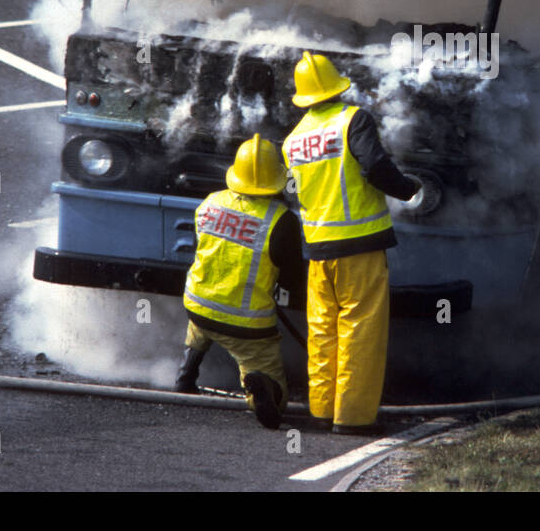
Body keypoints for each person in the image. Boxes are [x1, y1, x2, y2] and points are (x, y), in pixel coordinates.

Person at [282, 51, 420, 435]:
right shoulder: (352, 119)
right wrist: (408, 189)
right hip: (359, 247)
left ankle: (322, 409)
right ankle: (353, 417)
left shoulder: (292, 141)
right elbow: (375, 166)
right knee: (359, 329)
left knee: (323, 330)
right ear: (336, 86)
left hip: (318, 252)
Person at [174, 134, 303, 430]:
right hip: (247, 328)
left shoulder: (210, 203)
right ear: (278, 179)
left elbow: (205, 251)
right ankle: (259, 385)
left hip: (198, 305)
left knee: (202, 324)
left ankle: (185, 374)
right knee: (275, 397)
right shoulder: (283, 220)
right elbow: (293, 278)